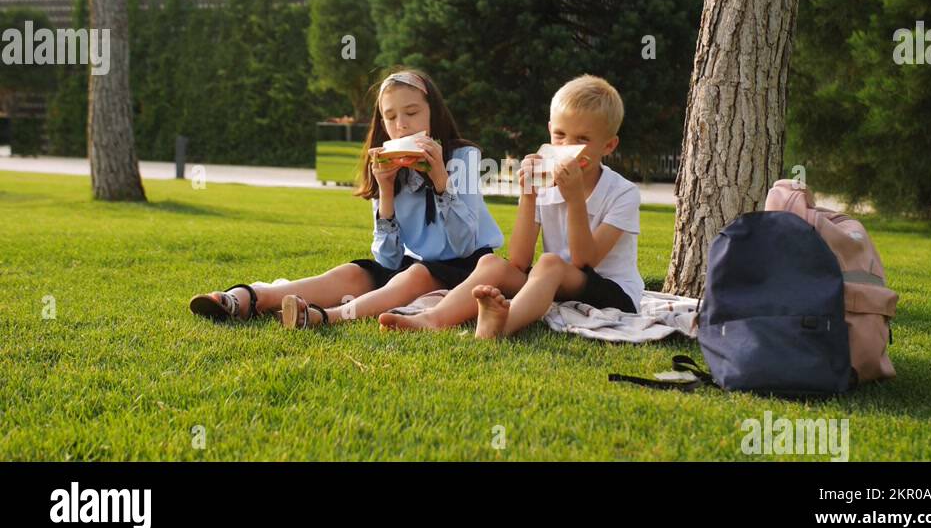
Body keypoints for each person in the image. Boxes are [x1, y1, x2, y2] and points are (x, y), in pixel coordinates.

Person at [189, 69, 504, 329]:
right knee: (351, 273)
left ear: (433, 112)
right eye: (390, 117)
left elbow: (463, 244)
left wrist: (440, 181)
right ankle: (250, 297)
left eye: (412, 112)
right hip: (411, 265)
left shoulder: (462, 157)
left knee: (416, 275)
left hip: (466, 267)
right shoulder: (386, 167)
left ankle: (324, 317)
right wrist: (386, 193)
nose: (401, 125)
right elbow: (388, 261)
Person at [379, 74, 643, 339]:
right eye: (560, 135)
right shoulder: (545, 181)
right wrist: (528, 196)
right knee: (491, 262)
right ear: (550, 129)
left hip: (611, 291)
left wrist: (574, 199)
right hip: (555, 284)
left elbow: (584, 262)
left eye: (582, 139)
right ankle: (433, 319)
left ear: (609, 145)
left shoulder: (623, 193)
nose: (566, 147)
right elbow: (519, 261)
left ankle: (501, 326)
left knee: (549, 263)